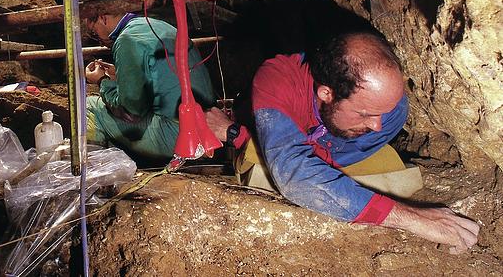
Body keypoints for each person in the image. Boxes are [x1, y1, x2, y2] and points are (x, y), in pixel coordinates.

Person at [205, 32, 480, 253]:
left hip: (312, 149)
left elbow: (317, 166)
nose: (377, 126)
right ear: (326, 93)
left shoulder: (391, 114)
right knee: (264, 170)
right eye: (365, 114)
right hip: (270, 134)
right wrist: (414, 219)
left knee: (389, 168)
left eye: (382, 112)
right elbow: (293, 174)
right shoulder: (279, 81)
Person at [83, 12, 216, 161]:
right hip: (210, 128)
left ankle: (95, 170)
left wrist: (101, 81)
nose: (100, 42)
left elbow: (130, 112)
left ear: (103, 17)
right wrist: (120, 75)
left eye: (95, 33)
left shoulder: (126, 39)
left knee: (88, 106)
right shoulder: (157, 25)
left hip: (181, 136)